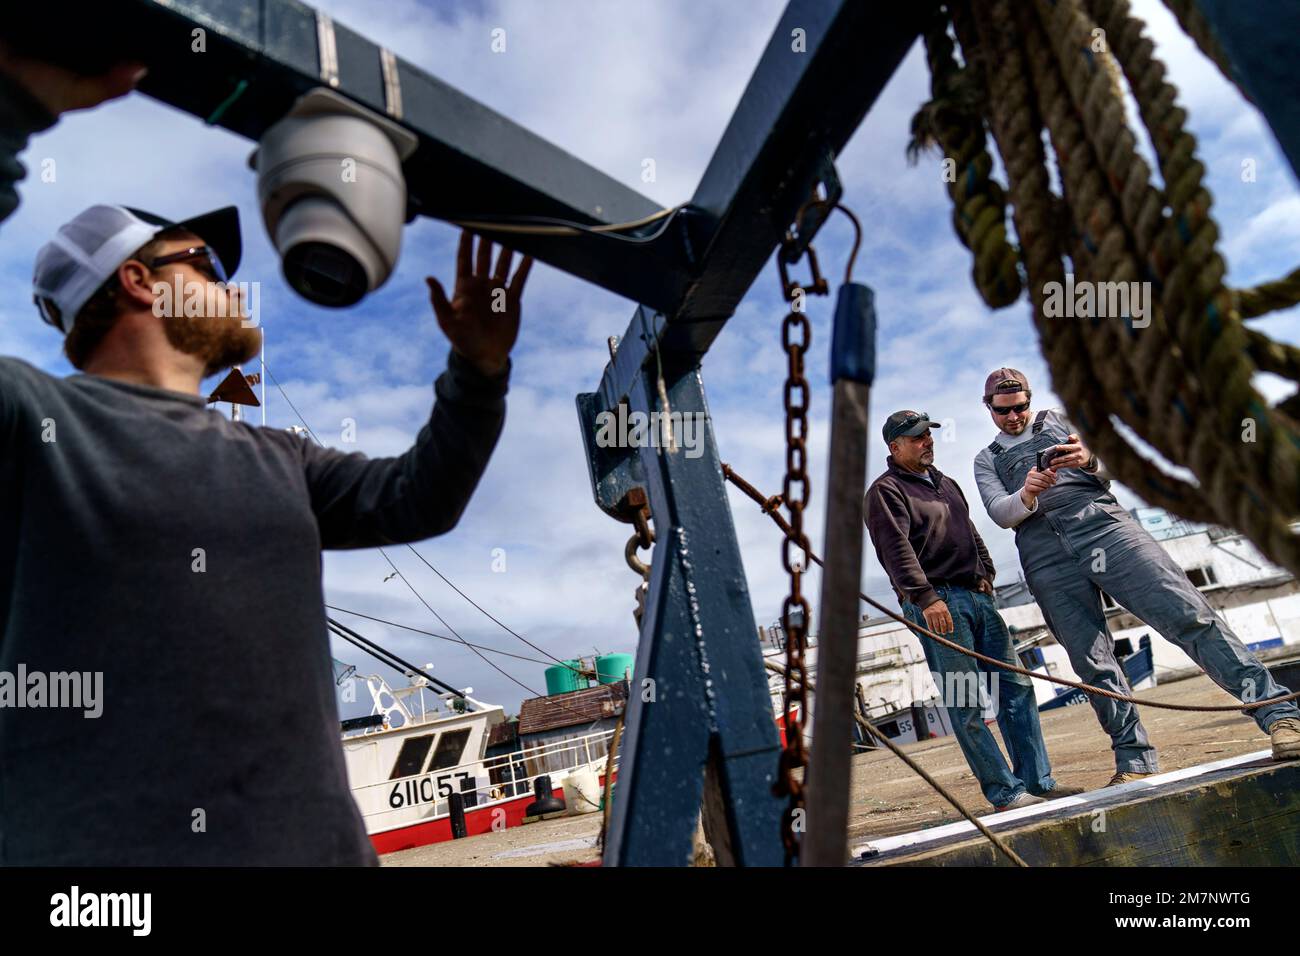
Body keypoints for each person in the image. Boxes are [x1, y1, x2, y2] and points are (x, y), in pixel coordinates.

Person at [1, 197, 532, 863]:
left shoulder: (284, 458)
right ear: (136, 281)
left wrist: (479, 372)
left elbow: (419, 496)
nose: (227, 284)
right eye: (202, 263)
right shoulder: (32, 418)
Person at [972, 367, 1300, 785]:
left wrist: (1088, 459)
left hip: (1103, 527)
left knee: (1188, 614)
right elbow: (1000, 513)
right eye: (1003, 412)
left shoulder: (1067, 420)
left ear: (1029, 399)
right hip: (1042, 550)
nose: (1013, 417)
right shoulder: (987, 459)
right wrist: (1027, 492)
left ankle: (1280, 716)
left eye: (1019, 407)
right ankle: (1134, 760)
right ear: (989, 409)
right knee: (1092, 662)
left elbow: (1118, 466)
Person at [865, 410, 1082, 812]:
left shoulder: (945, 483)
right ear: (894, 447)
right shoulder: (885, 491)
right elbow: (895, 551)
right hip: (938, 604)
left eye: (929, 434)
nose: (927, 441)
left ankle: (1038, 781)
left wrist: (986, 577)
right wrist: (926, 599)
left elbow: (971, 532)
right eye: (916, 438)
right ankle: (1005, 792)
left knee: (1015, 688)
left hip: (976, 597)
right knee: (966, 702)